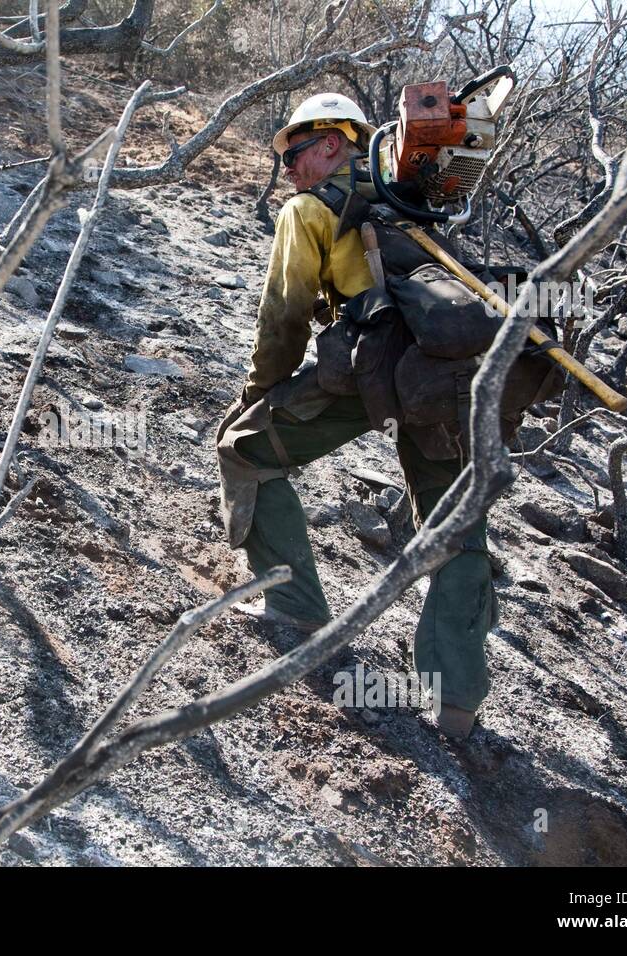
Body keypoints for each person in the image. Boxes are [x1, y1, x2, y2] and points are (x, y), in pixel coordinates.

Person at [215, 93, 495, 740]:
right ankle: (455, 705)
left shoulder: (308, 210)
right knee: (453, 523)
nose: (286, 168)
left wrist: (256, 393)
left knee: (247, 451)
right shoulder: (412, 197)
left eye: (294, 152)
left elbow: (284, 315)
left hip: (373, 370)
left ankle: (295, 611)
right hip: (452, 377)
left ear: (334, 143)